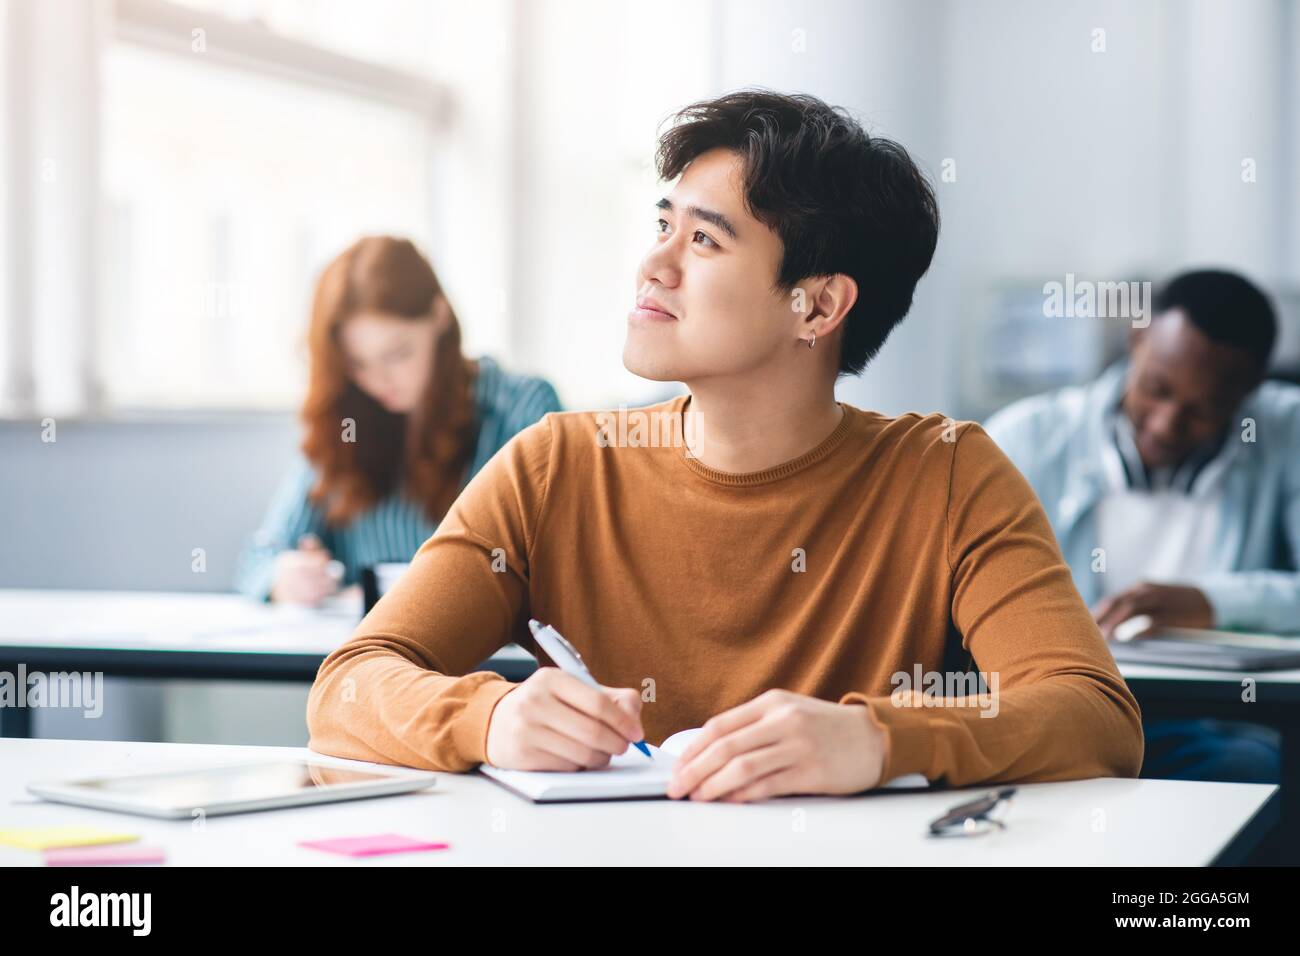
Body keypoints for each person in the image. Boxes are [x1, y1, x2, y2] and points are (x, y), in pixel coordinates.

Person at [307, 91, 1143, 801]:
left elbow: (1094, 715)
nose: (654, 265)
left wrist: (880, 740)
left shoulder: (949, 474)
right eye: (663, 225)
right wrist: (487, 717)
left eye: (703, 240)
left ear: (816, 308)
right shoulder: (553, 465)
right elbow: (348, 684)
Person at [986, 270, 1298, 783]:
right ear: (1137, 340)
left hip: (1207, 722)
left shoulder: (1287, 433)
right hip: (1053, 713)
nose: (1164, 425)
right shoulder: (1026, 439)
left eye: (1203, 411)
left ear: (1249, 392)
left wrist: (1211, 602)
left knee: (1252, 767)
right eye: (1156, 389)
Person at [234, 236, 561, 604]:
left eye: (397, 354)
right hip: (371, 658)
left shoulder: (520, 405)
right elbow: (258, 561)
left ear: (439, 316)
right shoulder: (344, 420)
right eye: (358, 364)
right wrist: (286, 577)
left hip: (485, 658)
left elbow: (559, 566)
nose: (379, 381)